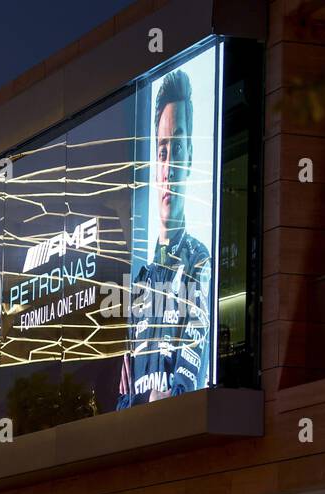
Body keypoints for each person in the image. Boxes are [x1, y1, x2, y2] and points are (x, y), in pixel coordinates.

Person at [118, 67, 212, 410]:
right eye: (161, 151)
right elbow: (122, 400)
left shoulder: (200, 262)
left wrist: (149, 402)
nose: (168, 165)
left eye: (177, 149)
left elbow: (183, 388)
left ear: (189, 158)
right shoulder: (141, 282)